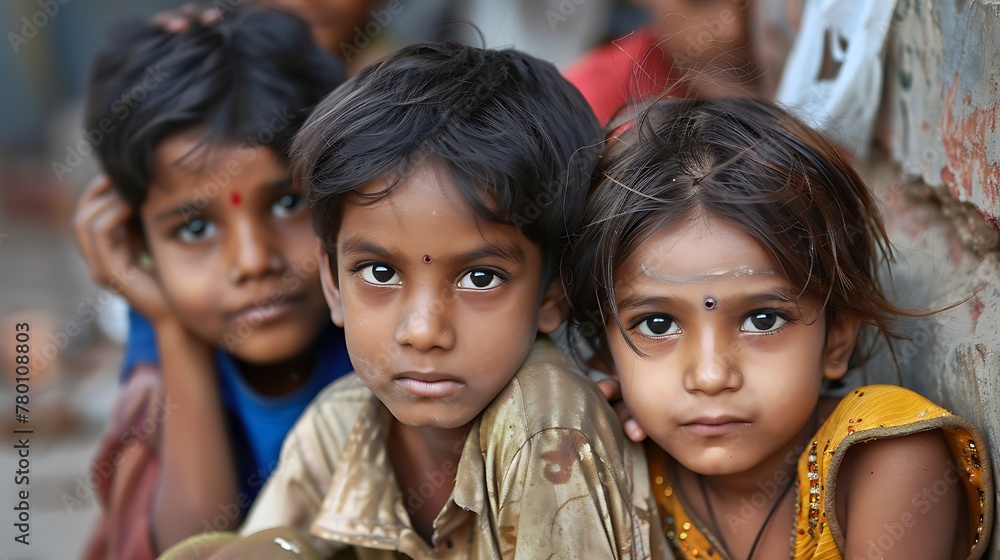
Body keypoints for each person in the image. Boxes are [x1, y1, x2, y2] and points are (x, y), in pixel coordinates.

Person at [160, 41, 647, 560]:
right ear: (332, 283)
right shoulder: (341, 421)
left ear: (554, 290)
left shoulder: (545, 422)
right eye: (380, 272)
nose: (422, 330)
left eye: (480, 278)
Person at [565, 97, 994, 559]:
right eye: (657, 323)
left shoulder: (886, 458)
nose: (709, 377)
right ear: (607, 353)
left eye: (762, 320)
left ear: (838, 337)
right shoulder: (620, 465)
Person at [73, 9, 351, 558]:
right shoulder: (160, 328)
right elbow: (190, 547)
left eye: (289, 202)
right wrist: (173, 330)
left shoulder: (393, 309)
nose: (253, 262)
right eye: (195, 227)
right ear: (136, 242)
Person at [564, 0, 759, 127]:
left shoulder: (771, 56)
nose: (733, 30)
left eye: (748, 3)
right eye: (699, 2)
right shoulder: (590, 99)